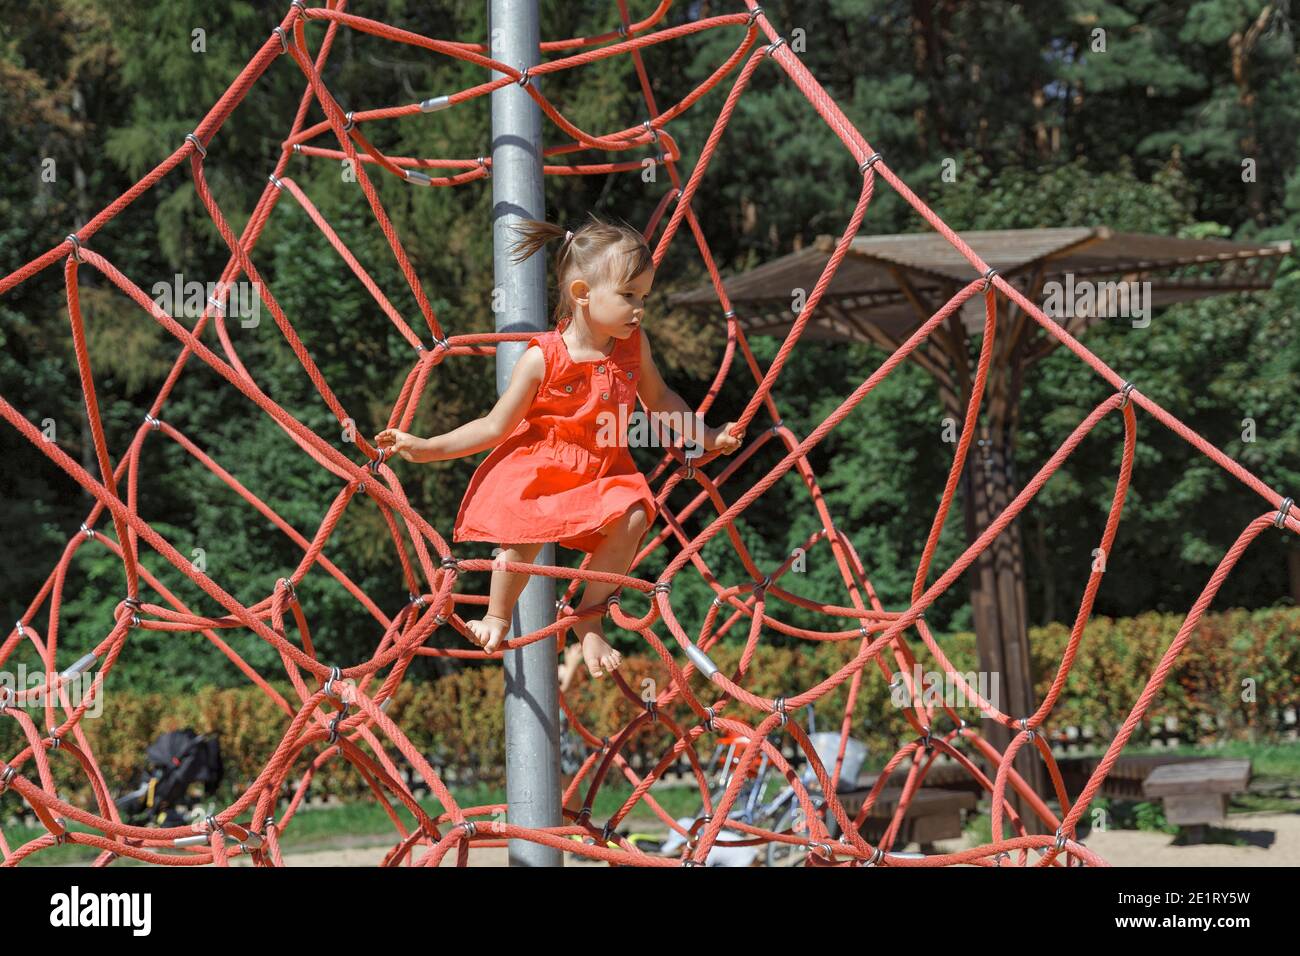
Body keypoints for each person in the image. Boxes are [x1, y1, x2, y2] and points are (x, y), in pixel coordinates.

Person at [376, 213, 743, 679]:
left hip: (602, 467)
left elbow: (659, 399)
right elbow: (493, 426)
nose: (639, 309)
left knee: (634, 514)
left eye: (644, 297)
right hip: (543, 465)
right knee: (521, 543)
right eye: (628, 296)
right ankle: (496, 616)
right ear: (583, 295)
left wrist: (707, 436)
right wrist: (427, 447)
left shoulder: (632, 346)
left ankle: (588, 621)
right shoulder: (541, 358)